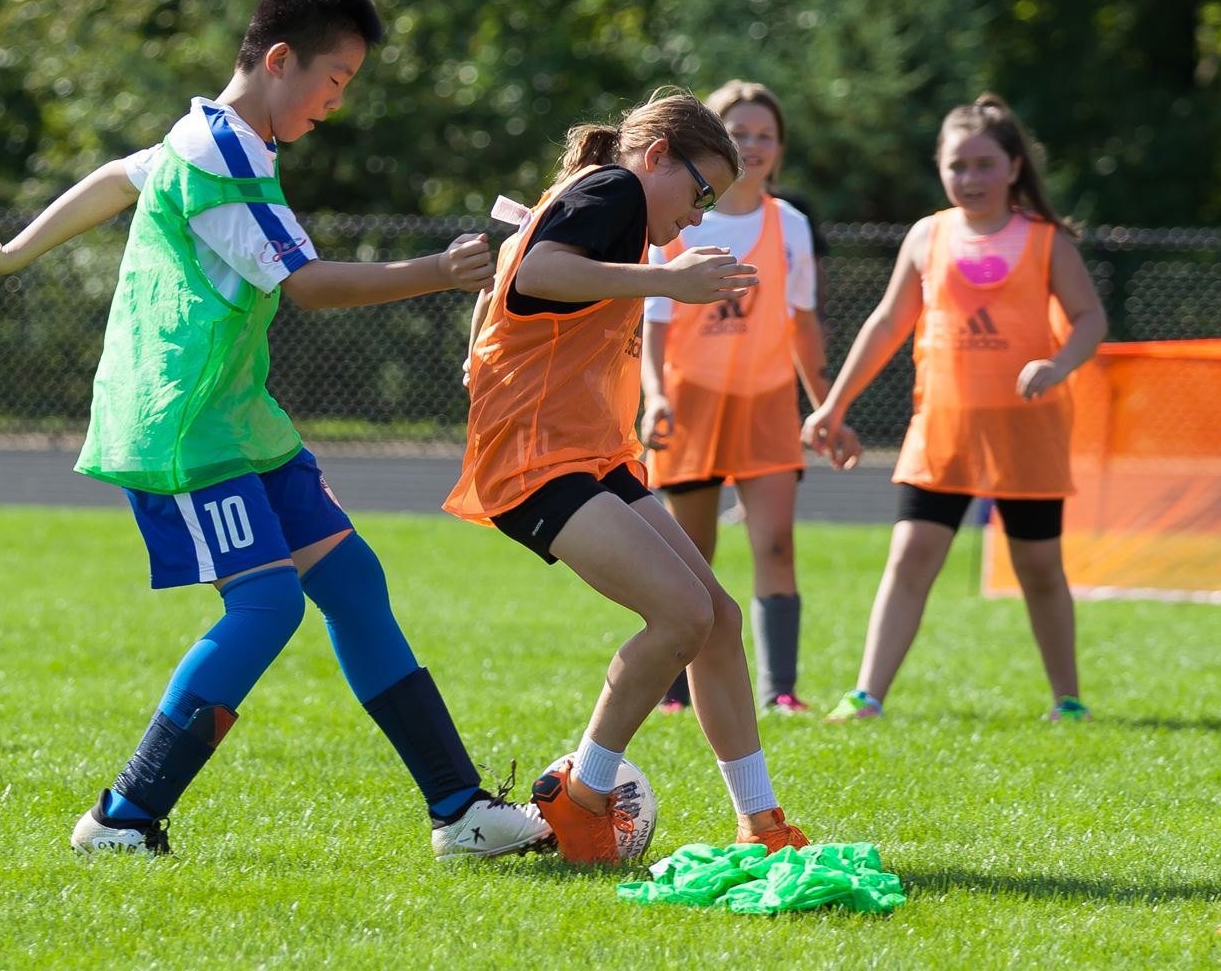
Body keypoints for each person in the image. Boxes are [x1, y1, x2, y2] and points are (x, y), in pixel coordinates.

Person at [0, 0, 549, 859]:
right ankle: (121, 819)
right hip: (186, 427)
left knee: (351, 582)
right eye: (335, 81)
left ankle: (459, 811)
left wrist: (15, 252)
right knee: (265, 608)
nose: (336, 104)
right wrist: (433, 273)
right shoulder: (221, 155)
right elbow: (305, 286)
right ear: (280, 59)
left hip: (240, 418)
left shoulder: (213, 137)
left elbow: (120, 174)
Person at [445, 88, 814, 866]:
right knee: (681, 615)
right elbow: (539, 270)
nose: (700, 216)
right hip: (538, 458)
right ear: (656, 159)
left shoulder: (609, 204)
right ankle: (580, 798)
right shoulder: (614, 188)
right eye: (700, 191)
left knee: (715, 613)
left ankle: (760, 818)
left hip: (585, 453)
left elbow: (513, 291)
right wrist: (670, 282)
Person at [802, 93, 1107, 724]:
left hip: (1028, 432)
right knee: (910, 558)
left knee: (1039, 567)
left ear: (1014, 167)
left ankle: (1068, 701)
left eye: (984, 164)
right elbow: (887, 325)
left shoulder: (1046, 241)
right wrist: (833, 404)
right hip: (942, 429)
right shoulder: (927, 235)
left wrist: (1058, 364)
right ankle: (867, 696)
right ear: (940, 169)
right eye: (956, 166)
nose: (970, 178)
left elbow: (1089, 319)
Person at [640, 80, 859, 717]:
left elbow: (803, 326)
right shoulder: (677, 223)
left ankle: (780, 690)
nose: (753, 145)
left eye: (766, 134)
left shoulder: (790, 224)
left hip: (767, 404)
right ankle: (675, 691)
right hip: (692, 404)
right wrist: (655, 397)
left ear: (781, 148)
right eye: (739, 132)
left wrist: (827, 407)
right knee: (690, 552)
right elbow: (654, 324)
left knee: (776, 545)